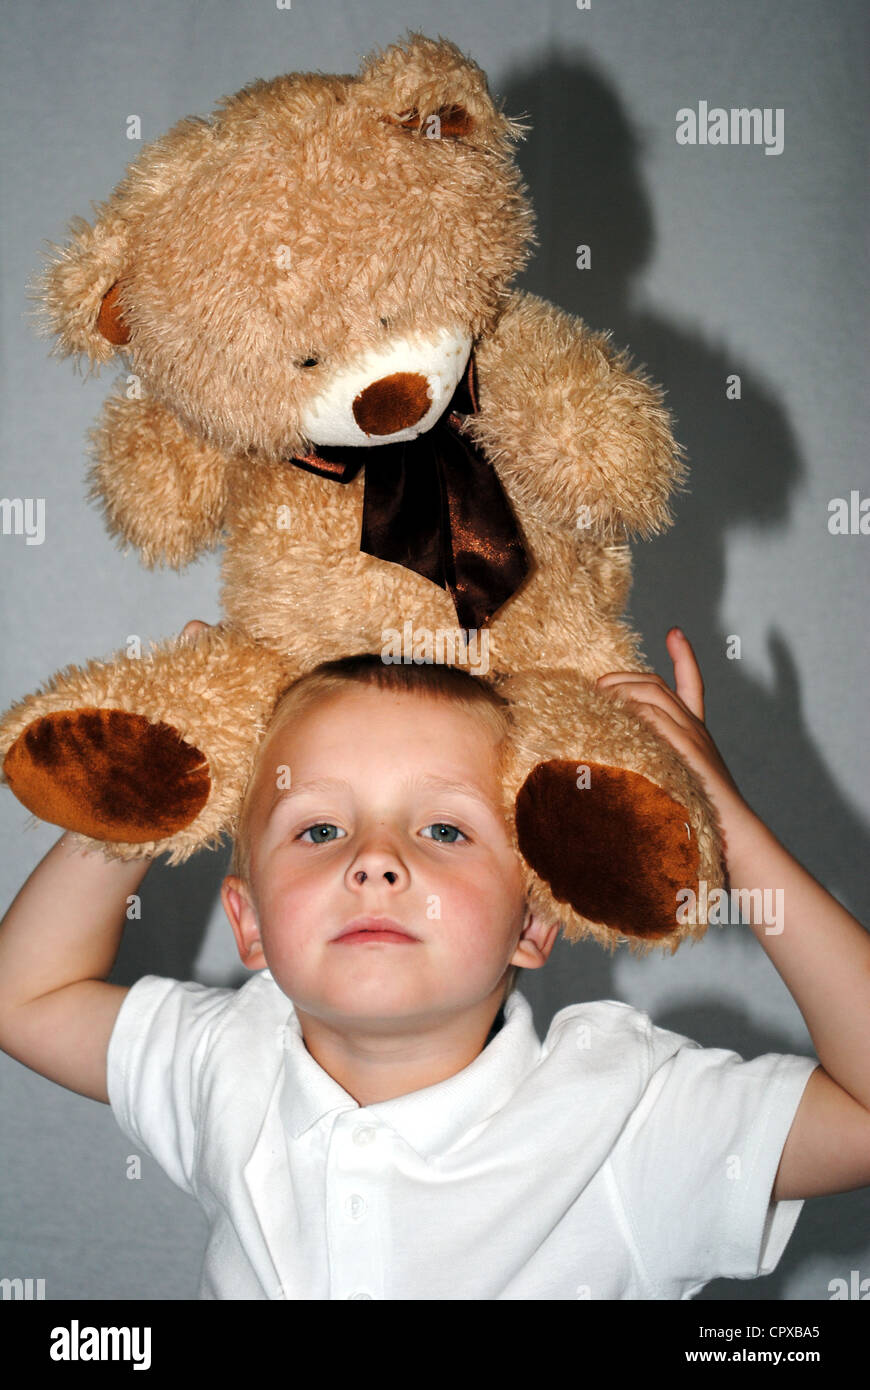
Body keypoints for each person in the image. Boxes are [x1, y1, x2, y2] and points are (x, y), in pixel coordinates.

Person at [0, 626, 867, 1300]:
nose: (375, 862)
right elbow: (24, 998)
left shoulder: (630, 1114)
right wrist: (150, 783)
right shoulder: (223, 1061)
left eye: (444, 830)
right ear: (250, 921)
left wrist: (724, 828)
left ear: (534, 919)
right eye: (320, 829)